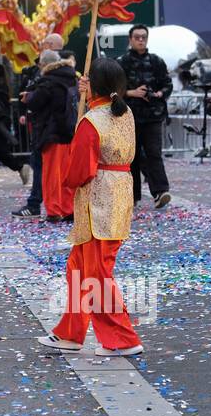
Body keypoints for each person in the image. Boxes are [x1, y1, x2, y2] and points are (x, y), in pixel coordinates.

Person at [37, 58, 142, 356]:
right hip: (117, 192)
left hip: (99, 199)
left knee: (96, 273)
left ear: (93, 85)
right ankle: (71, 332)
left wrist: (67, 179)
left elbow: (80, 171)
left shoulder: (92, 121)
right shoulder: (125, 111)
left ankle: (123, 339)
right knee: (80, 268)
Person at [118, 25, 173, 208]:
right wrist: (131, 92)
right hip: (129, 116)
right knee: (130, 156)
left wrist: (158, 94)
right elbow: (113, 90)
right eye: (137, 37)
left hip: (152, 116)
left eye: (144, 37)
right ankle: (131, 196)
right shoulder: (121, 62)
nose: (141, 40)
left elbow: (167, 84)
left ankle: (160, 191)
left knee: (154, 154)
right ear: (130, 39)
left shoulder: (157, 61)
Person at [12, 32, 62, 217]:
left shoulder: (51, 78)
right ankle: (53, 206)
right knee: (42, 165)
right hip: (50, 129)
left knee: (43, 167)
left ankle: (41, 205)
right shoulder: (60, 74)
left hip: (49, 130)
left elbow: (41, 97)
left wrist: (31, 99)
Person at [26, 50, 78, 223]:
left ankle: (54, 210)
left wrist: (29, 97)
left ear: (45, 64)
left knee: (51, 175)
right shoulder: (71, 78)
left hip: (52, 133)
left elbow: (35, 103)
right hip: (70, 131)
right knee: (67, 174)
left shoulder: (48, 82)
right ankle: (69, 208)